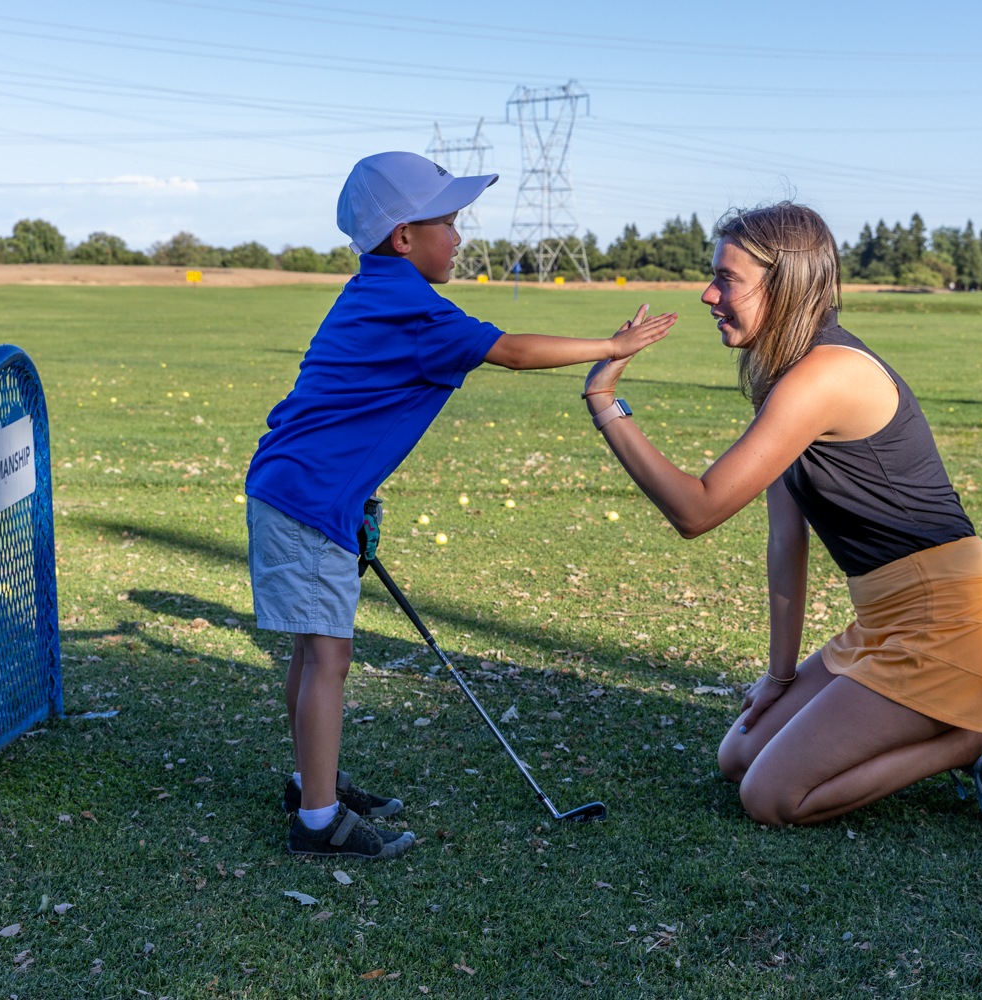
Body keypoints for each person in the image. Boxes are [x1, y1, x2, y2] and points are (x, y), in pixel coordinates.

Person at [244, 152, 677, 859]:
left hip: (301, 491)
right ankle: (317, 822)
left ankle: (310, 782)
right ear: (404, 237)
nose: (459, 236)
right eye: (447, 221)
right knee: (329, 657)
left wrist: (357, 495)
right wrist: (612, 344)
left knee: (310, 647)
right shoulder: (408, 306)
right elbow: (508, 350)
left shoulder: (376, 292)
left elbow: (346, 409)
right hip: (305, 498)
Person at [581, 202, 982, 834]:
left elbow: (697, 510)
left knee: (769, 798)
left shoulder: (825, 375)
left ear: (787, 283)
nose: (707, 294)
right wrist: (778, 677)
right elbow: (786, 540)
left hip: (944, 621)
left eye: (727, 278)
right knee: (738, 756)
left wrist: (605, 402)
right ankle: (954, 725)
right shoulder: (791, 380)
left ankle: (975, 739)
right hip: (888, 618)